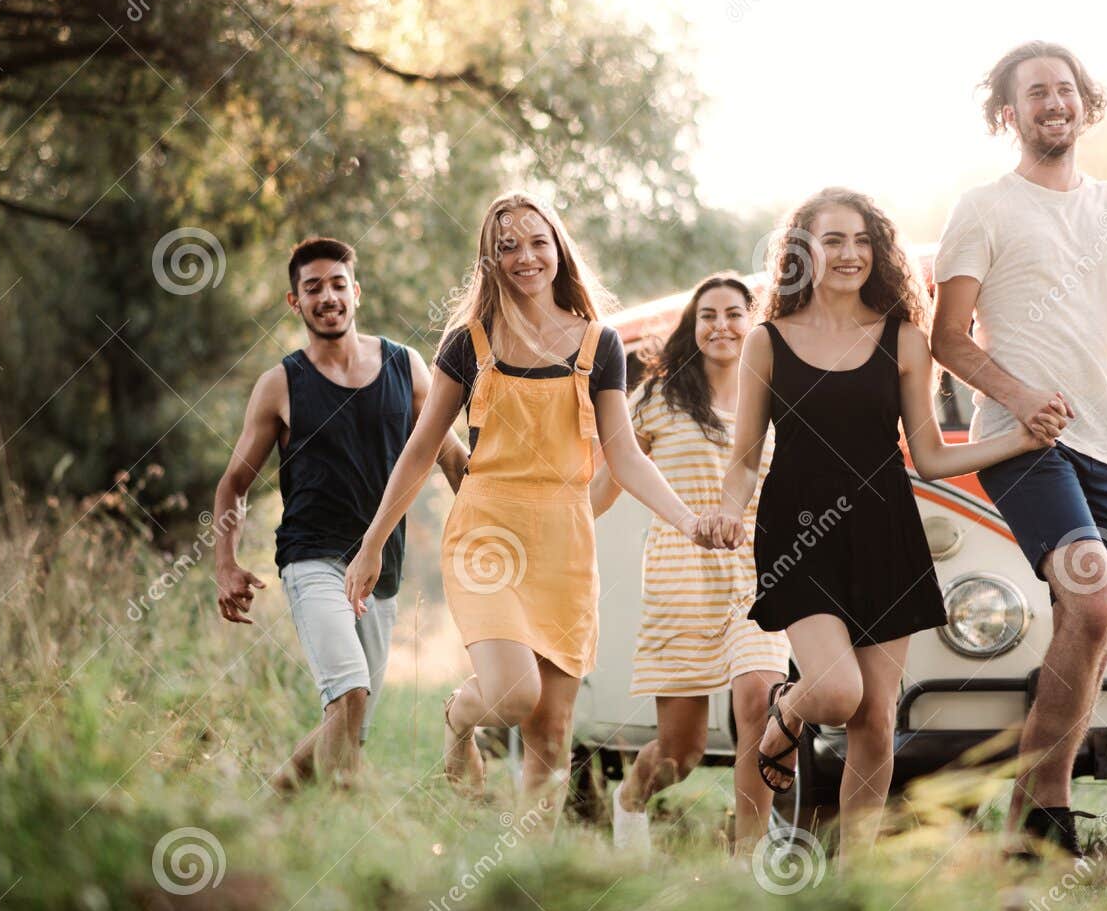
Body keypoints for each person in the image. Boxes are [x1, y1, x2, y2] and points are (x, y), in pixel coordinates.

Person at [930, 41, 1107, 857]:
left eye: (1066, 90)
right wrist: (1018, 399)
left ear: (1084, 105)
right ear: (1008, 114)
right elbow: (949, 338)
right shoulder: (981, 209)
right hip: (1017, 439)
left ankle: (1029, 801)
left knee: (1091, 624)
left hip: (1106, 449)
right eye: (1035, 93)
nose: (1053, 103)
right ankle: (1044, 806)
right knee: (1093, 599)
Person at [343, 192, 712, 817]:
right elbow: (420, 449)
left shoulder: (600, 345)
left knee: (551, 728)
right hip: (487, 532)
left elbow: (624, 454)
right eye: (507, 246)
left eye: (537, 241)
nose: (525, 256)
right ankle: (460, 720)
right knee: (514, 695)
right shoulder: (469, 344)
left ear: (558, 248)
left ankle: (528, 875)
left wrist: (689, 521)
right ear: (490, 260)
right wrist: (373, 542)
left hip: (565, 545)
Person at [706, 187, 1046, 861]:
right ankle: (777, 734)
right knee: (833, 691)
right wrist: (725, 508)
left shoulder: (904, 339)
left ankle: (855, 875)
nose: (850, 254)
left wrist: (1020, 440)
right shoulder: (766, 342)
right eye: (833, 241)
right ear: (803, 253)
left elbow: (930, 456)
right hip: (797, 532)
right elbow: (745, 459)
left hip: (885, 528)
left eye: (862, 241)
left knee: (875, 717)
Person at [214, 236, 469, 793]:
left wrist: (488, 529)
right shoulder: (280, 384)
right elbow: (234, 482)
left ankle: (272, 803)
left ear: (355, 292)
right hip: (312, 559)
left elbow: (450, 455)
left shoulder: (407, 367)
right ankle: (354, 838)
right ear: (295, 302)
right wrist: (226, 564)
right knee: (349, 693)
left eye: (336, 285)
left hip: (382, 567)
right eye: (313, 289)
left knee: (350, 725)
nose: (326, 297)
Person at [590, 273, 787, 857]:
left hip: (761, 573)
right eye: (708, 315)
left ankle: (748, 856)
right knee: (681, 753)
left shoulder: (778, 397)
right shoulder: (655, 397)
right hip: (680, 578)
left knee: (759, 700)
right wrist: (559, 532)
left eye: (734, 313)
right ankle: (631, 799)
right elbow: (608, 481)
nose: (721, 325)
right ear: (692, 326)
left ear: (753, 325)